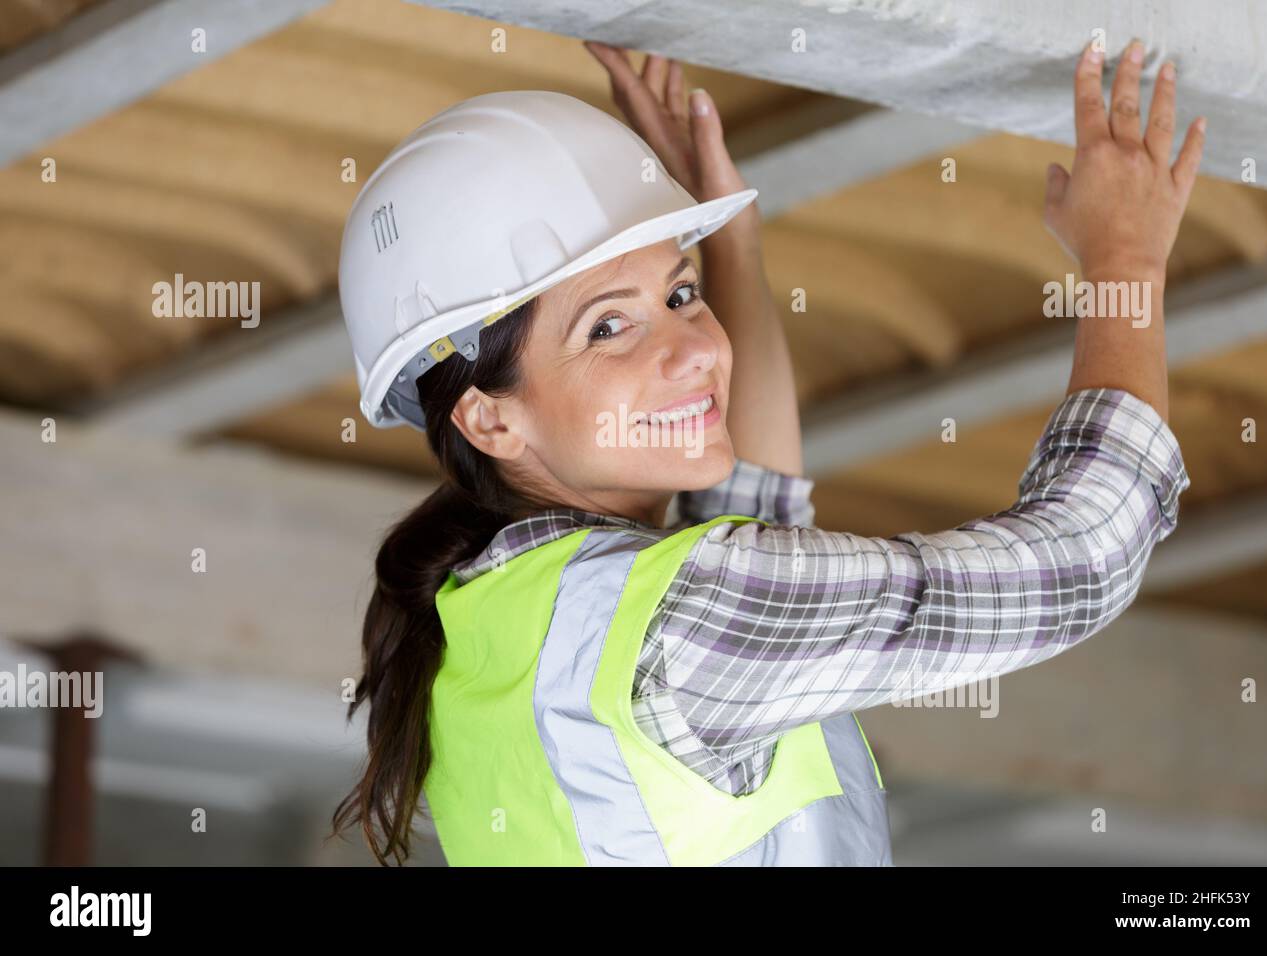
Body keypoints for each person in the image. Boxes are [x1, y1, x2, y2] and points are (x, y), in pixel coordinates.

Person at [329, 35, 1202, 866]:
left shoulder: (485, 640)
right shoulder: (660, 623)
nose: (696, 349)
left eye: (680, 293)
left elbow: (753, 516)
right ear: (489, 420)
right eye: (607, 326)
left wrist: (725, 246)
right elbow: (1082, 556)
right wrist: (1127, 259)